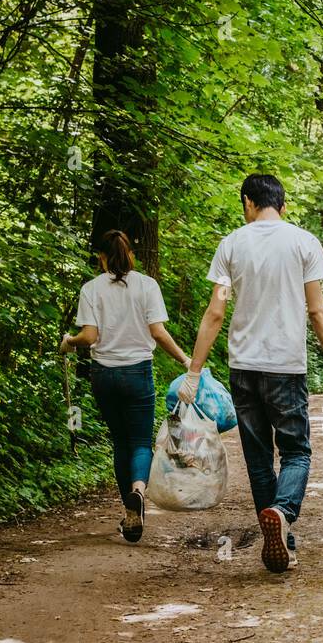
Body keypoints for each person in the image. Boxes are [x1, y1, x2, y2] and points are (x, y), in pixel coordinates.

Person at [178, 174, 323, 573]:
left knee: (259, 458)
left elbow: (215, 311)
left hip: (243, 368)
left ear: (247, 202)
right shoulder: (303, 242)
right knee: (296, 451)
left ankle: (281, 541)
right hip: (285, 367)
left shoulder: (231, 244)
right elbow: (317, 311)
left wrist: (194, 372)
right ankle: (283, 513)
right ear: (283, 204)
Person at [60, 229, 190, 543]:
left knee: (121, 443)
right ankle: (138, 492)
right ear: (129, 253)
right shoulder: (147, 286)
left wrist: (69, 342)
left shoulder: (91, 289)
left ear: (101, 257)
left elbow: (89, 338)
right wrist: (187, 361)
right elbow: (158, 333)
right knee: (141, 443)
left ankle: (131, 513)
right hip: (137, 374)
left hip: (104, 375)